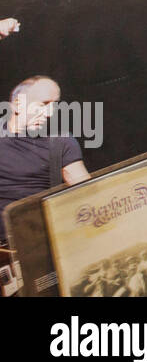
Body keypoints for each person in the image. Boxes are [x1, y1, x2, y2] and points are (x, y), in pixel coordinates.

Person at [0, 76, 91, 240]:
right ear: (19, 104)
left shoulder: (61, 141)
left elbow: (87, 194)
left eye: (53, 105)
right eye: (43, 104)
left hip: (42, 240)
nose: (49, 113)